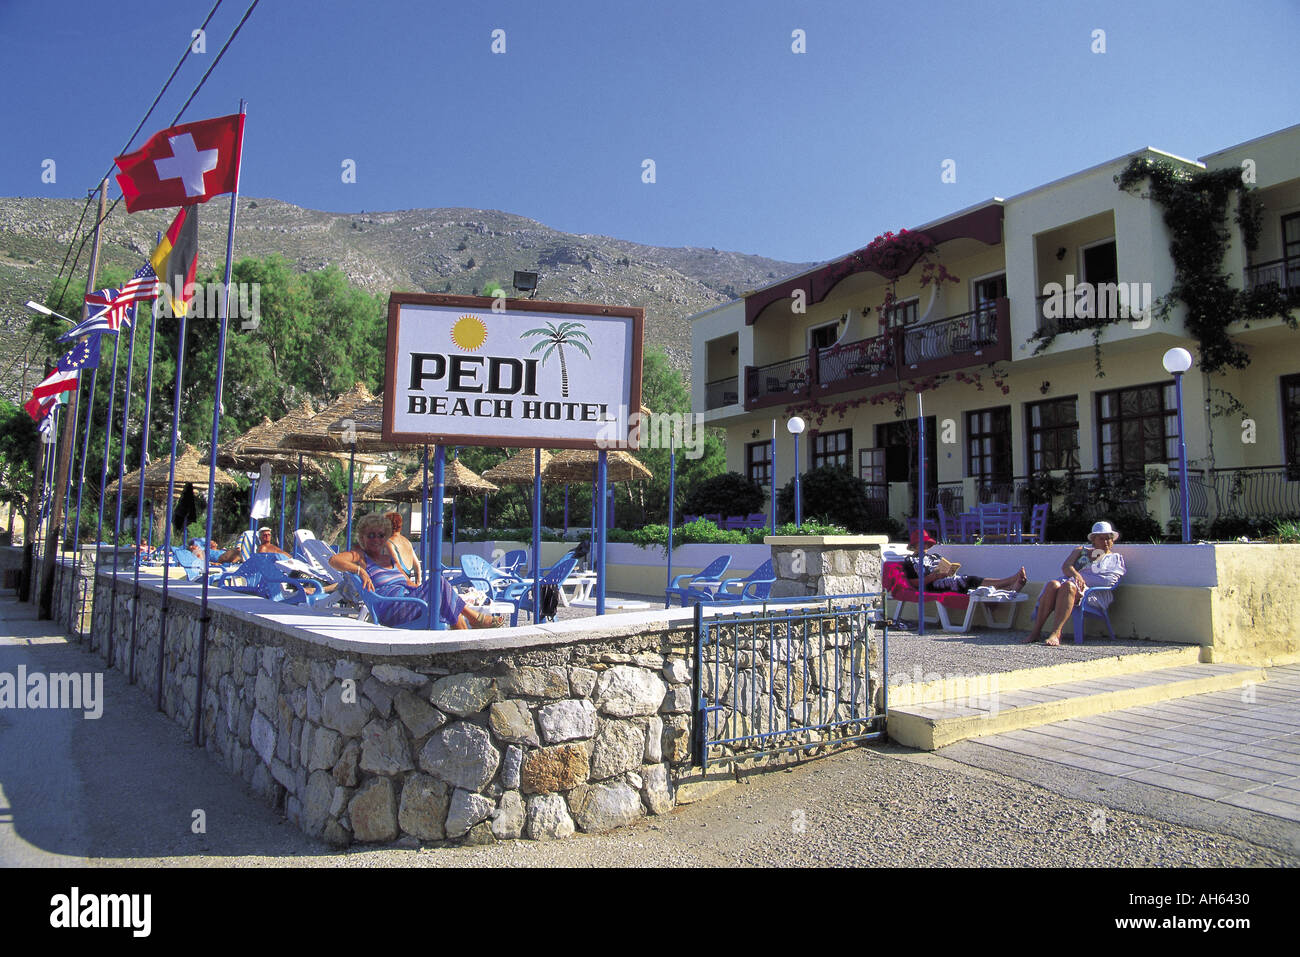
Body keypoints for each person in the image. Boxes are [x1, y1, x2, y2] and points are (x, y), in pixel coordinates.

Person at [329, 512, 503, 629]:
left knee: (443, 596)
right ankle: (473, 619)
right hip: (391, 610)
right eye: (371, 535)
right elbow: (334, 560)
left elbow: (408, 582)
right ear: (362, 537)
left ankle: (465, 636)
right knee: (439, 585)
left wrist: (424, 589)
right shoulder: (359, 555)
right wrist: (361, 571)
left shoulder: (389, 560)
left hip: (408, 602)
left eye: (381, 535)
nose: (376, 539)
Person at [1025, 521, 1126, 646]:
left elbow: (1108, 581)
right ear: (1093, 540)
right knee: (1052, 585)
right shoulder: (1080, 551)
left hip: (1094, 593)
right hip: (1073, 586)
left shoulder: (1115, 558)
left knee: (1068, 586)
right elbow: (1066, 567)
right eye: (1101, 538)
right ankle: (1036, 631)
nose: (1106, 542)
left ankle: (1056, 633)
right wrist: (1077, 576)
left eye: (1108, 539)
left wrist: (1080, 579)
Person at [903, 530, 1027, 593]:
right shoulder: (910, 560)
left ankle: (1010, 588)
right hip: (933, 585)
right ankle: (1009, 582)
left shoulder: (934, 556)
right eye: (922, 543)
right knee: (969, 580)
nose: (925, 545)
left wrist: (949, 570)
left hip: (947, 580)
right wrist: (934, 576)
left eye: (926, 543)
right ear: (914, 544)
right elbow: (914, 583)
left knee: (964, 579)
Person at [384, 511, 422, 588]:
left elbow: (398, 567)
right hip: (407, 585)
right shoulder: (407, 542)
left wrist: (411, 585)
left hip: (396, 587)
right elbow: (417, 565)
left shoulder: (389, 543)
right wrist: (418, 583)